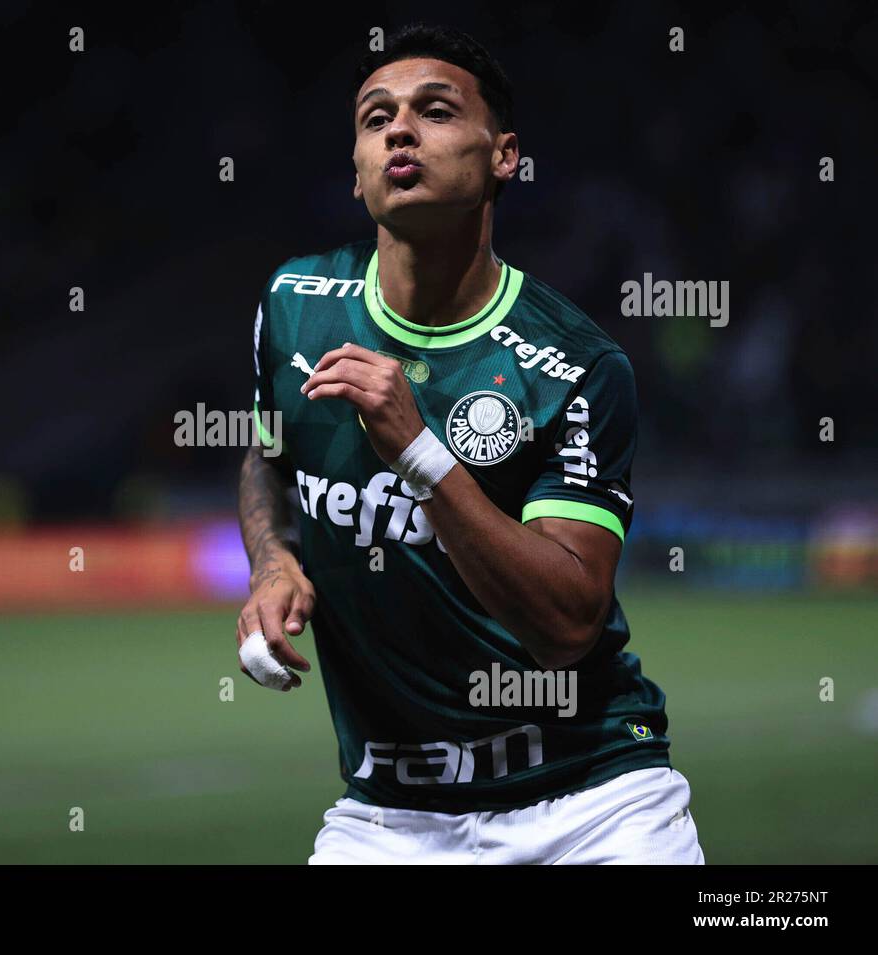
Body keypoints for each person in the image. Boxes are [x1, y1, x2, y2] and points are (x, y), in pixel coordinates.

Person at [235, 23, 703, 864]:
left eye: (435, 111)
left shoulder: (575, 366)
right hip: (388, 816)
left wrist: (419, 450)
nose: (400, 131)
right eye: (375, 120)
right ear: (356, 170)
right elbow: (267, 455)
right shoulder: (295, 304)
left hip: (592, 800)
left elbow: (567, 622)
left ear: (503, 156)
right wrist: (271, 558)